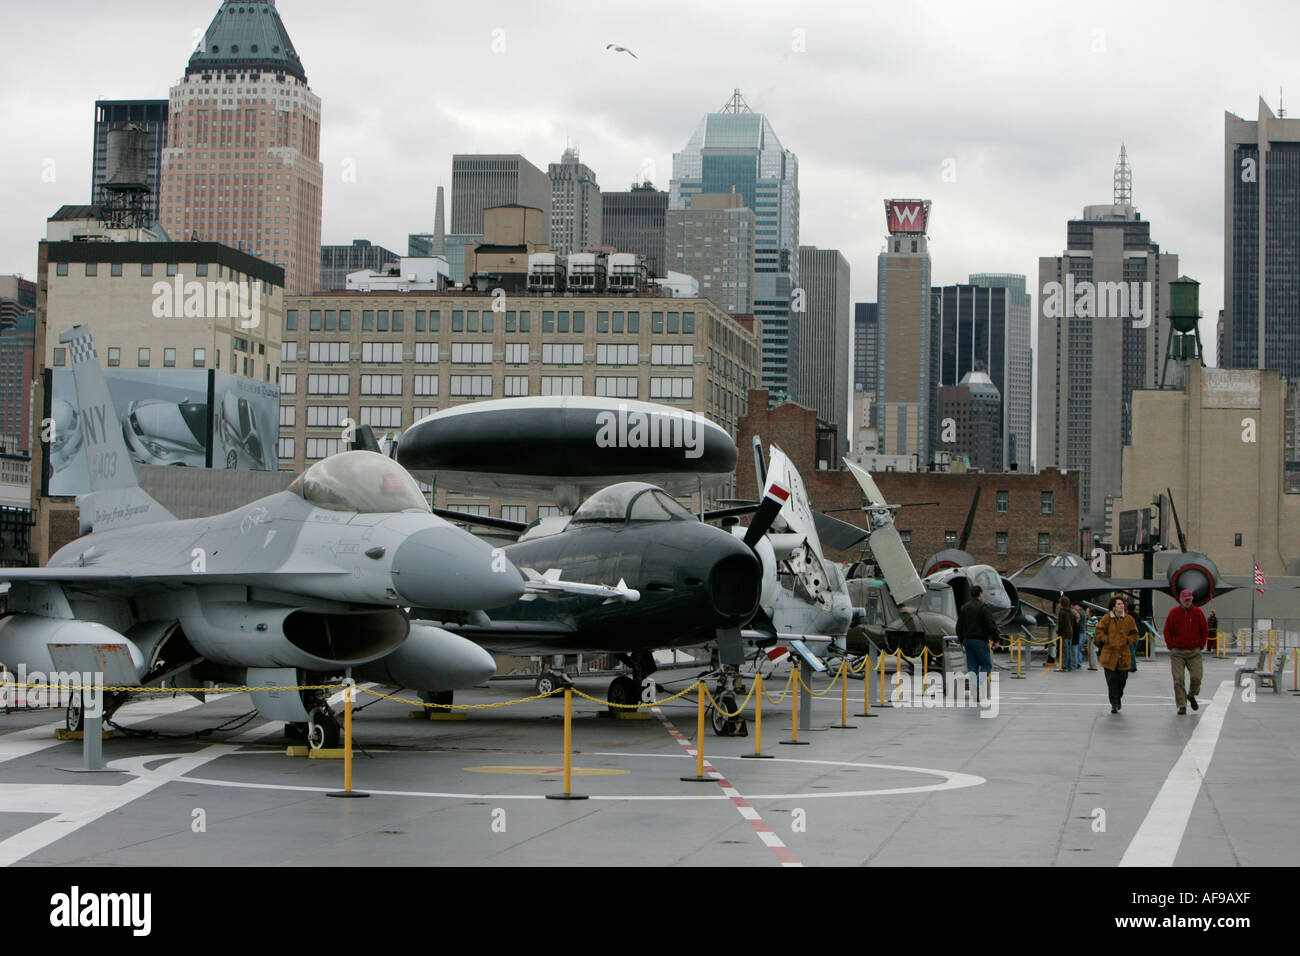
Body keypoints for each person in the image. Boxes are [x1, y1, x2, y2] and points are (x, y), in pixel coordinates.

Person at [1164, 588, 1209, 715]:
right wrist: (1171, 645)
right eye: (1185, 600)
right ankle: (1181, 705)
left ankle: (1191, 694)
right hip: (1177, 651)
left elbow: (1204, 630)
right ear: (1180, 600)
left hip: (1194, 651)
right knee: (1178, 679)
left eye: (1189, 600)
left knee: (1196, 677)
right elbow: (1167, 630)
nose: (1188, 602)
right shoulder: (1173, 613)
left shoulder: (1198, 613)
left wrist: (1200, 645)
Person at [1095, 595, 1138, 714]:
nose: (1121, 606)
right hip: (1109, 655)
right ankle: (1114, 703)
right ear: (1113, 607)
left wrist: (1127, 640)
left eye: (1122, 604)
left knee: (1122, 680)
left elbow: (1134, 633)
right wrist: (1107, 639)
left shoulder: (1129, 619)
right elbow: (1099, 631)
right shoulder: (1106, 618)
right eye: (1119, 604)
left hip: (1124, 655)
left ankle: (1118, 697)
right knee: (1111, 680)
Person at [957, 585, 999, 699]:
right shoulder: (983, 607)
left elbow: (958, 627)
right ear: (980, 594)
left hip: (967, 641)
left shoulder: (964, 608)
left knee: (972, 667)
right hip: (980, 641)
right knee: (986, 665)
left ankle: (974, 693)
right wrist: (996, 639)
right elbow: (991, 625)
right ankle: (977, 684)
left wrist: (962, 640)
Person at [1055, 593, 1077, 671]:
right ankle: (1069, 666)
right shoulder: (1070, 612)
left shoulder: (1062, 612)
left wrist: (1058, 632)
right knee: (1069, 650)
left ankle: (1064, 666)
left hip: (1064, 634)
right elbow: (1072, 622)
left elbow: (1061, 624)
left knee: (1064, 651)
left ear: (1062, 604)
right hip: (1070, 633)